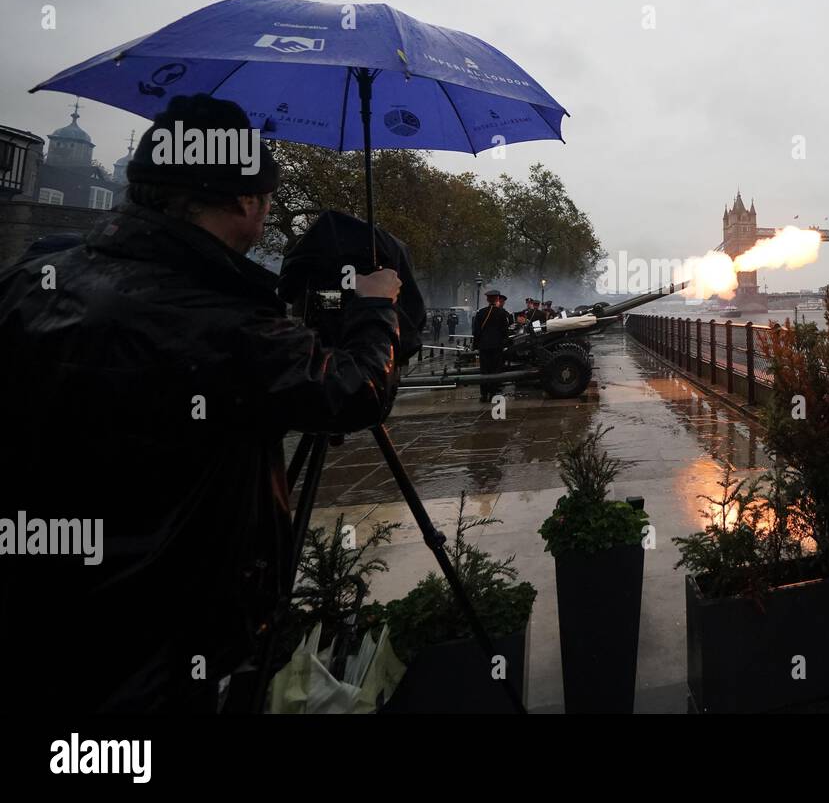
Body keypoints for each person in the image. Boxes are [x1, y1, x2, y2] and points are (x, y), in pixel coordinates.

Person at [0, 93, 402, 713]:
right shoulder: (225, 319)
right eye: (267, 201)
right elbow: (357, 394)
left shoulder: (27, 284)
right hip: (162, 647)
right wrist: (375, 307)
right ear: (245, 201)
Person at [472, 289, 512, 402]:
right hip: (497, 346)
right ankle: (493, 393)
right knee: (495, 370)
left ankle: (484, 394)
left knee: (484, 370)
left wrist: (475, 345)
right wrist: (505, 343)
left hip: (484, 346)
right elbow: (505, 331)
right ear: (497, 299)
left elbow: (476, 331)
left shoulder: (481, 313)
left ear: (487, 299)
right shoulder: (501, 313)